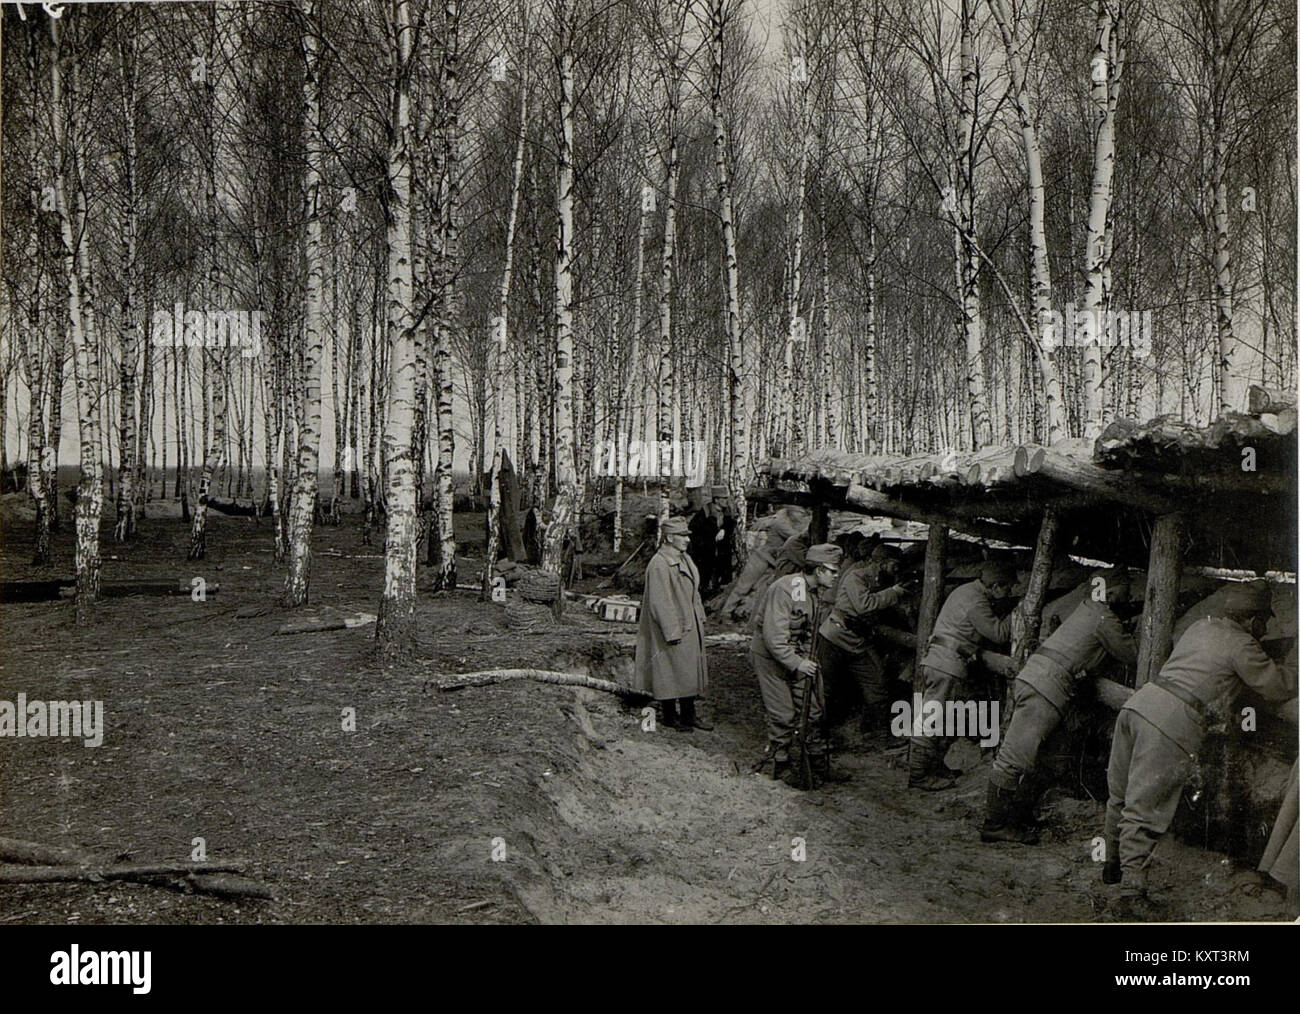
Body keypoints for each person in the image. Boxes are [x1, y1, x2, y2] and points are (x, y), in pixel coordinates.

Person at [1102, 581, 1297, 919]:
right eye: (1264, 620)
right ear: (1253, 620)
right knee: (1146, 809)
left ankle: (1112, 865)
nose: (1264, 628)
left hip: (1139, 705)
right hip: (1171, 721)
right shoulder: (1241, 643)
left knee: (1120, 794)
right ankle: (1131, 894)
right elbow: (1274, 686)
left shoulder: (1200, 625)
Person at [980, 569, 1137, 844]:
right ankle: (994, 825)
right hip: (1046, 687)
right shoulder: (1104, 618)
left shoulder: (1087, 607)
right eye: (1125, 593)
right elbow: (1130, 653)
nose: (1128, 597)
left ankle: (1017, 817)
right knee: (1015, 757)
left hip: (1040, 680)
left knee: (1043, 757)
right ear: (1111, 593)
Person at [908, 559, 1019, 790]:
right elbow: (999, 634)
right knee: (931, 717)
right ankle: (918, 775)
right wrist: (1017, 613)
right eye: (1007, 588)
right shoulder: (976, 601)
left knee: (941, 717)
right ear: (996, 586)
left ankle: (933, 767)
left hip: (940, 661)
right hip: (946, 665)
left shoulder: (966, 591)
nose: (1009, 592)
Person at [749, 543, 842, 784]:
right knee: (784, 713)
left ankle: (817, 762)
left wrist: (806, 661)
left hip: (797, 655)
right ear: (819, 570)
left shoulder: (812, 593)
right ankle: (782, 766)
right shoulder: (786, 588)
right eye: (832, 570)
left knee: (812, 707)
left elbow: (809, 631)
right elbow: (774, 637)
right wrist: (796, 663)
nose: (836, 575)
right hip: (771, 657)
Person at [818, 539, 912, 744]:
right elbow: (864, 605)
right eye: (894, 565)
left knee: (877, 684)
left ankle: (875, 733)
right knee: (824, 687)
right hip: (835, 637)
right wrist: (894, 593)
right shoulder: (856, 577)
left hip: (858, 642)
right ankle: (817, 734)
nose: (897, 570)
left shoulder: (882, 580)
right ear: (882, 562)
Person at [632, 516, 711, 732]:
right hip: (673, 625)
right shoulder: (659, 564)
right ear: (669, 538)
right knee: (668, 670)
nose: (687, 540)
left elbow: (694, 592)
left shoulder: (684, 558)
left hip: (689, 621)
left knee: (687, 670)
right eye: (682, 536)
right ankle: (669, 715)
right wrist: (671, 629)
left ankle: (688, 714)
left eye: (687, 535)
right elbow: (660, 601)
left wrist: (699, 617)